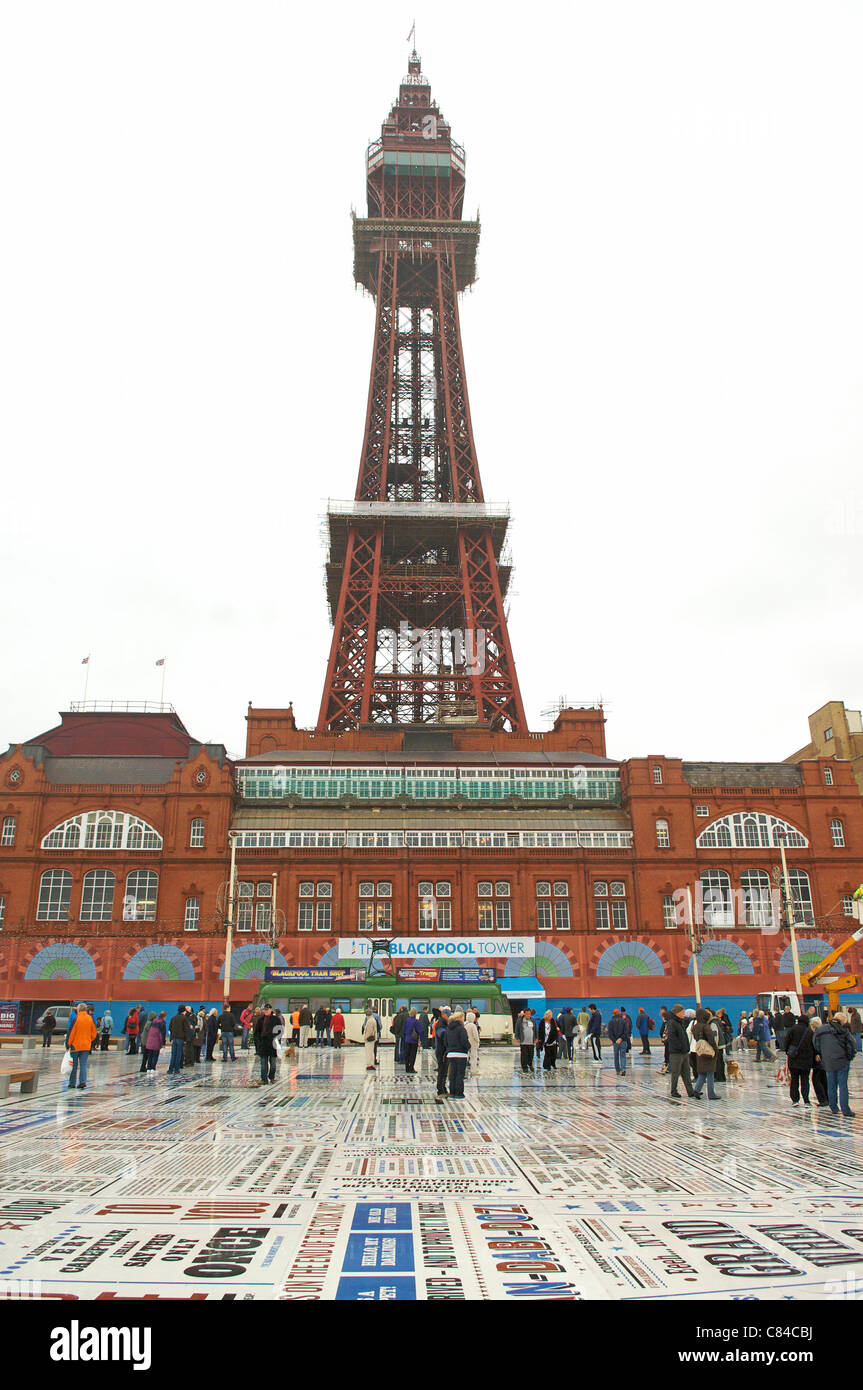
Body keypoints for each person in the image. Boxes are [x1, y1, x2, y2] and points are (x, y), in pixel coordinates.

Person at [813, 1009, 857, 1117]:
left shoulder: (821, 1030)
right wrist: (850, 1056)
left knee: (831, 1085)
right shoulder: (843, 1030)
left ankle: (833, 1107)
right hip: (842, 1061)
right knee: (843, 1085)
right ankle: (845, 1110)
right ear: (842, 1021)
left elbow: (815, 1042)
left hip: (828, 1061)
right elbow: (852, 1044)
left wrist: (821, 1053)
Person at [667, 1003, 698, 1100]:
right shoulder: (672, 1023)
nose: (684, 1014)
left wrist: (686, 1048)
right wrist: (680, 1047)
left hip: (684, 1052)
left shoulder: (680, 1022)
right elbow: (673, 1038)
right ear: (677, 1013)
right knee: (676, 1072)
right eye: (682, 1012)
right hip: (676, 1053)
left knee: (686, 1072)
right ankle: (673, 1090)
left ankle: (690, 1091)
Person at [65, 1003, 98, 1090]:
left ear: (78, 1009)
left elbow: (71, 1033)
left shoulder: (76, 1019)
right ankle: (82, 1082)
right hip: (86, 1046)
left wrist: (68, 1044)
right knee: (83, 1064)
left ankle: (72, 1083)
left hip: (75, 1045)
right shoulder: (90, 1019)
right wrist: (89, 1040)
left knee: (74, 1065)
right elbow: (94, 1033)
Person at [691, 1008, 722, 1100]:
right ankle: (711, 1094)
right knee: (710, 1073)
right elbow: (711, 1040)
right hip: (708, 1051)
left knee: (702, 1072)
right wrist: (715, 1050)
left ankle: (696, 1090)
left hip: (700, 1051)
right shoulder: (706, 1027)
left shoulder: (695, 1026)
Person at [785, 1014, 814, 1106]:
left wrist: (788, 1052)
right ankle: (806, 1100)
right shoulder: (809, 1031)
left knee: (794, 1080)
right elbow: (813, 1046)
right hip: (806, 1061)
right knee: (805, 1080)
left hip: (793, 1060)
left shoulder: (792, 1029)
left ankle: (795, 1100)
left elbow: (786, 1043)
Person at [446, 1011, 470, 1098]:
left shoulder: (448, 1029)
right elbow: (464, 1041)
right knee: (460, 1074)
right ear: (460, 1019)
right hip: (461, 1054)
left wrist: (449, 1049)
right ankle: (459, 1093)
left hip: (451, 1054)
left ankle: (452, 1092)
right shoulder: (461, 1029)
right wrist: (468, 1046)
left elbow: (446, 1041)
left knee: (452, 1074)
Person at [253, 1003, 279, 1085]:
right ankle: (264, 1079)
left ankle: (272, 1077)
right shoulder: (260, 1020)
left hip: (272, 1044)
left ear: (271, 1010)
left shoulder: (276, 1019)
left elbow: (280, 1030)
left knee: (273, 1064)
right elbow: (256, 1032)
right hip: (263, 1044)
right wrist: (258, 1042)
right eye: (265, 1010)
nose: (266, 1011)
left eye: (267, 1010)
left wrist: (277, 1040)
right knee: (263, 1064)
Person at [809, 1016, 830, 1106]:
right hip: (826, 1059)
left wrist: (818, 1054)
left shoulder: (816, 1034)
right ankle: (827, 1098)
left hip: (819, 1060)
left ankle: (822, 1099)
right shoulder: (825, 1032)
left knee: (816, 1079)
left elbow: (817, 1046)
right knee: (823, 1078)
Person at [434, 1006, 451, 1099]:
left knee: (444, 1070)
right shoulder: (441, 1024)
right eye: (448, 1015)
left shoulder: (443, 1023)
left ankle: (443, 1088)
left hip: (443, 1050)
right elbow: (442, 1034)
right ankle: (440, 1089)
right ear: (444, 1015)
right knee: (442, 1070)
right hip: (442, 1050)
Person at [607, 1008, 631, 1076]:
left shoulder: (611, 1022)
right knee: (623, 1055)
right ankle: (623, 1069)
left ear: (613, 1014)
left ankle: (618, 1070)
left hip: (615, 1043)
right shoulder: (623, 1021)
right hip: (623, 1041)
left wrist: (615, 1040)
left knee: (616, 1056)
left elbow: (610, 1034)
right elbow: (626, 1032)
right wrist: (621, 1038)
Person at [167, 1006, 191, 1074]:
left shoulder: (173, 1018)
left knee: (173, 1054)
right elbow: (186, 1029)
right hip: (180, 1038)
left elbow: (170, 1027)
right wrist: (186, 1039)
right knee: (178, 1054)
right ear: (183, 1011)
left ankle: (170, 1069)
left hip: (174, 1038)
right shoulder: (184, 1018)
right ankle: (177, 1069)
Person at [403, 1007, 422, 1074]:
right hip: (414, 1040)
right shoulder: (416, 1021)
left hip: (407, 1040)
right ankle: (411, 1068)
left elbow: (404, 1030)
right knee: (413, 1054)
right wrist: (420, 1039)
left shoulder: (406, 1020)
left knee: (407, 1054)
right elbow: (420, 1031)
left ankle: (407, 1068)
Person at [658, 1005, 670, 1074]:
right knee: (666, 1054)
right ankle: (667, 1066)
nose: (661, 1014)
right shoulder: (665, 1022)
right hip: (666, 1041)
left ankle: (668, 1067)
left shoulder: (667, 1022)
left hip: (668, 1041)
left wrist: (665, 1037)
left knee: (668, 1054)